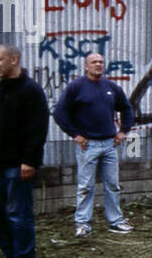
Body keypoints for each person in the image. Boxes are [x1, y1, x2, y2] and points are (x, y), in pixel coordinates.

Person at [0, 44, 49, 258]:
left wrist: (30, 160)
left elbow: (37, 129)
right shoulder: (0, 88)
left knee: (19, 213)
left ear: (14, 59)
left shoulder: (31, 91)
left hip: (18, 164)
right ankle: (11, 252)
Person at [52, 53, 136, 236]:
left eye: (101, 62)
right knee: (85, 187)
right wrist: (75, 134)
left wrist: (123, 132)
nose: (98, 65)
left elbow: (127, 109)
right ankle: (82, 225)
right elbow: (59, 112)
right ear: (86, 66)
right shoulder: (76, 87)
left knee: (113, 185)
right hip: (87, 146)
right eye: (94, 62)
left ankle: (115, 221)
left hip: (109, 144)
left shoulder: (111, 87)